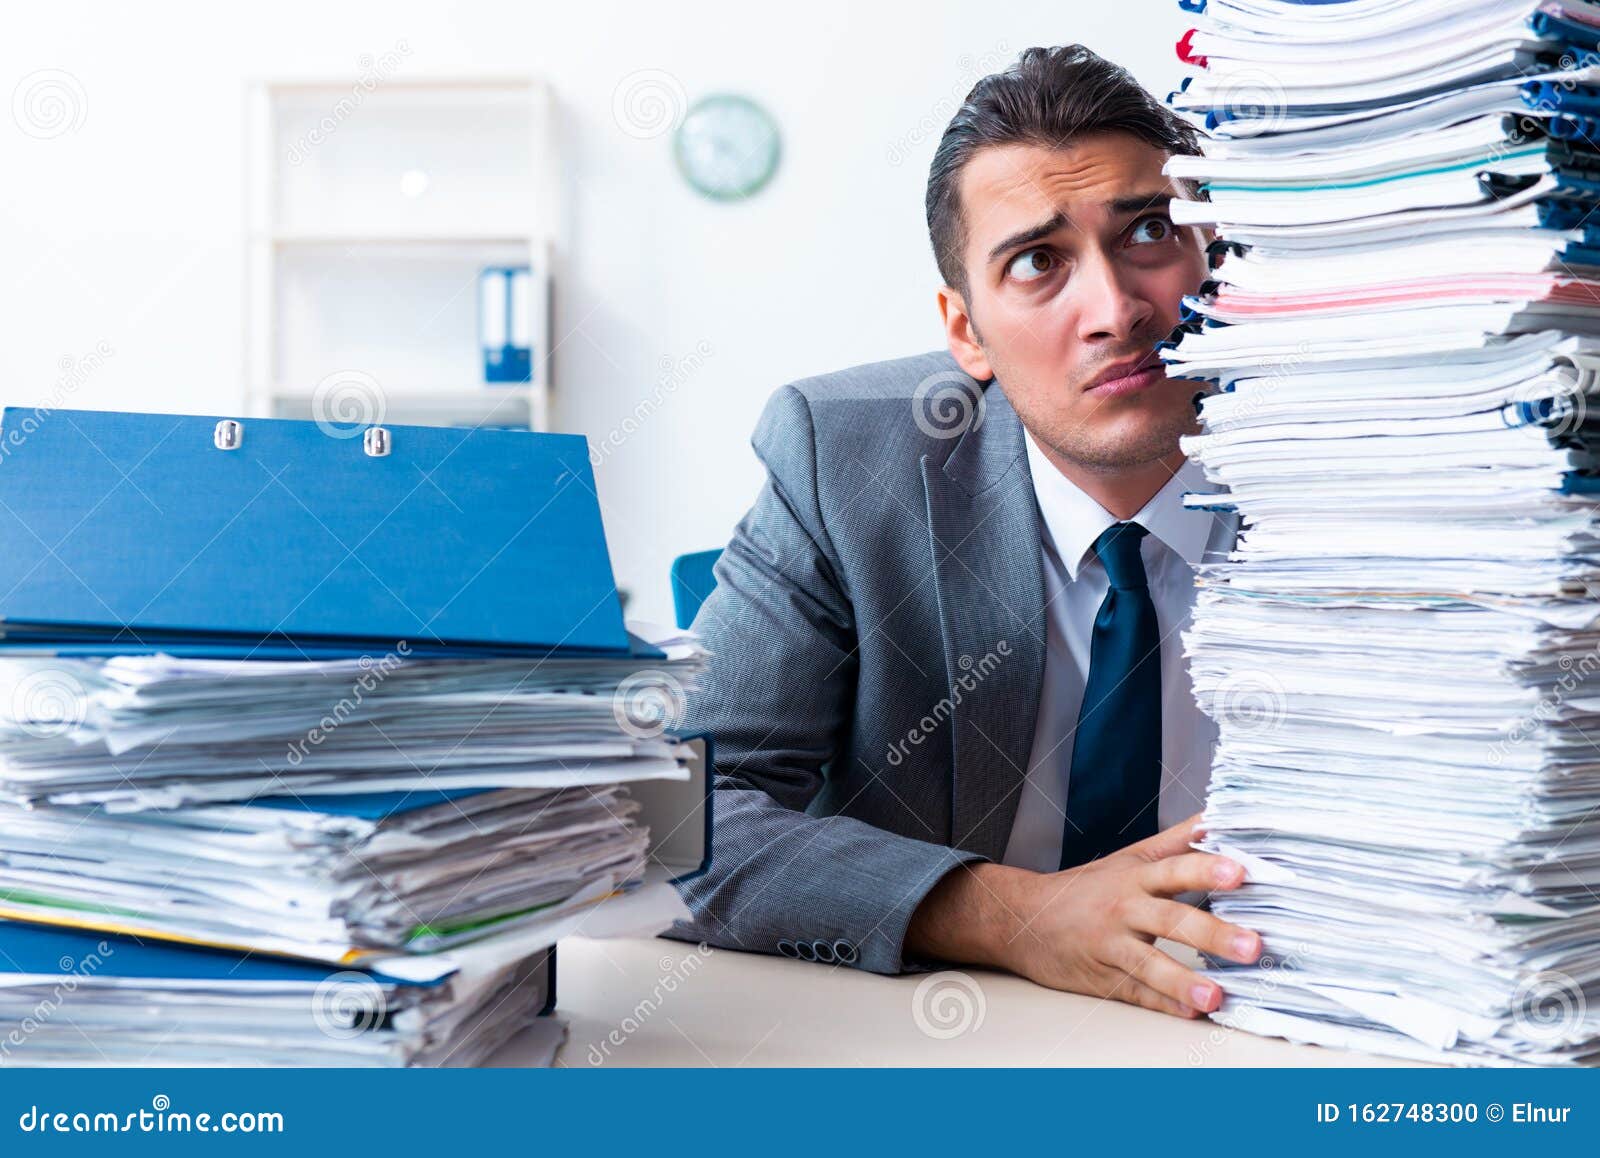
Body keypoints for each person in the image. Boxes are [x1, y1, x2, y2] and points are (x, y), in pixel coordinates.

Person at [664, 44, 1262, 1020]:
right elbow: (680, 813)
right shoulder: (841, 463)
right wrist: (1014, 916)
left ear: (1215, 260)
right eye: (1036, 262)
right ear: (966, 333)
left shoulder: (1357, 466)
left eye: (1149, 230)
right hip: (952, 1028)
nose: (1114, 310)